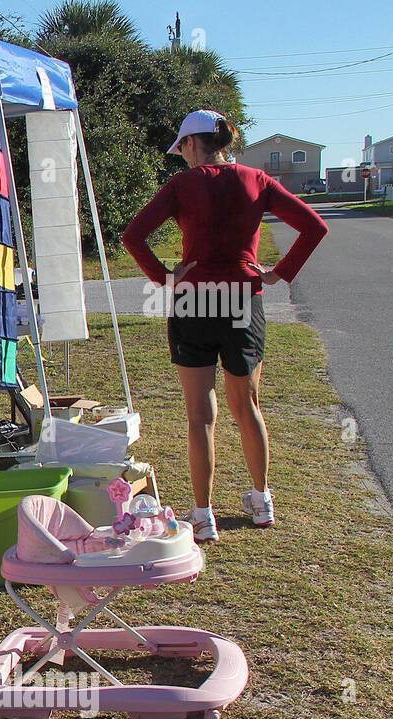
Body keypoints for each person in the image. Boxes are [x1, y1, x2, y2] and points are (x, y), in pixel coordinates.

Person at [122, 110, 327, 542]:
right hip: (241, 300)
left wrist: (165, 278)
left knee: (200, 414)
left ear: (193, 144)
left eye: (181, 150)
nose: (181, 158)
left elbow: (133, 236)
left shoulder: (182, 185)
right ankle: (261, 498)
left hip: (193, 298)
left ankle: (203, 514)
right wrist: (277, 273)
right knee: (247, 405)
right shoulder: (255, 180)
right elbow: (313, 226)